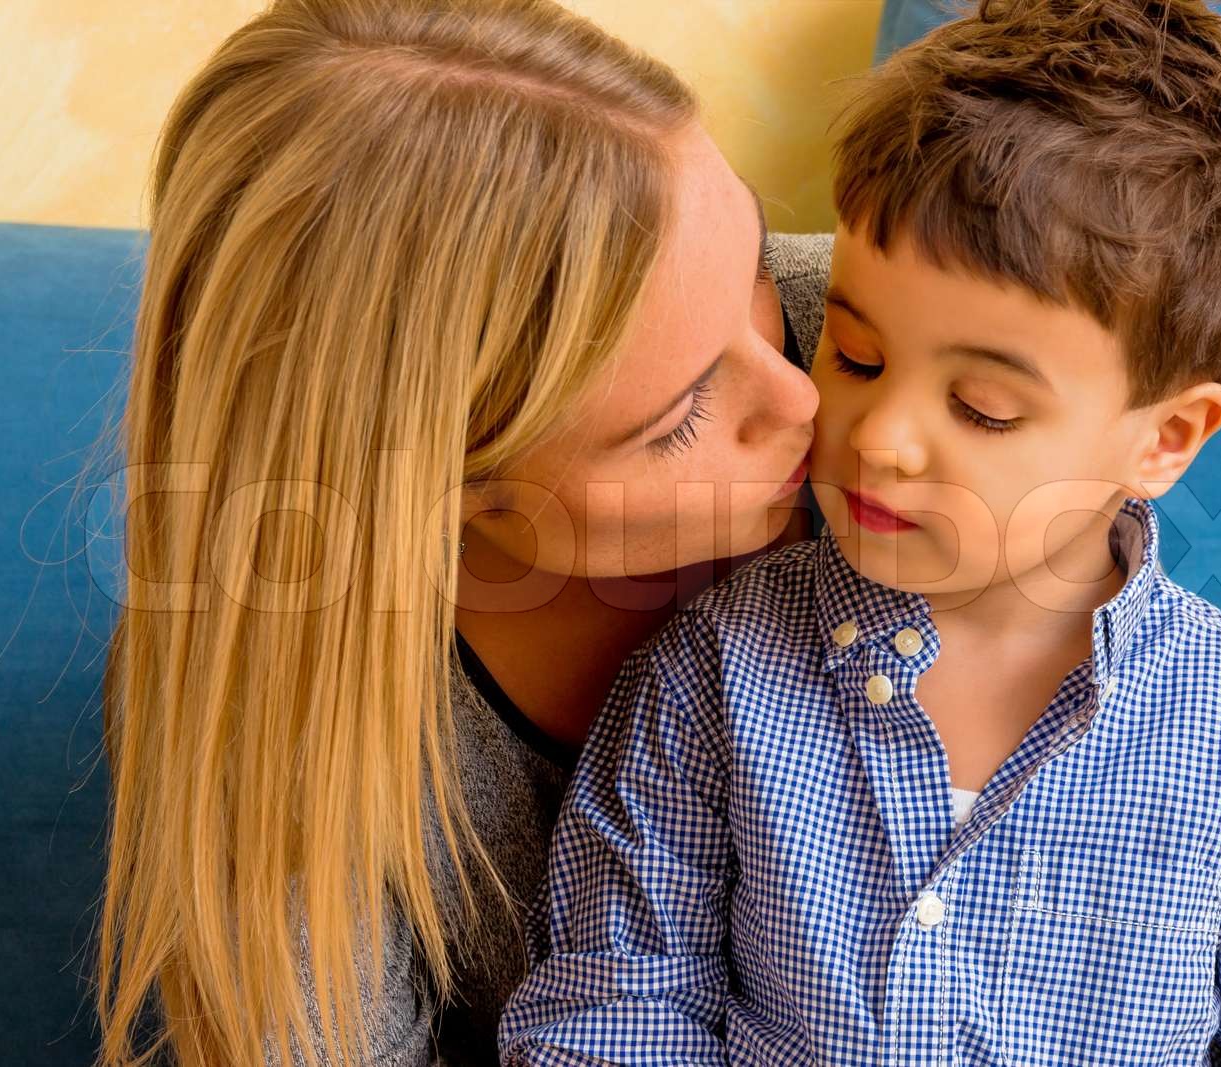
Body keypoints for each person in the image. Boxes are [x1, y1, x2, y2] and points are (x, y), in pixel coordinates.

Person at [498, 1, 1221, 1063]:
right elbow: (613, 1012)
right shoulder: (712, 673)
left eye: (984, 409)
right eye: (853, 356)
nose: (880, 437)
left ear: (1167, 438)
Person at [90, 1, 832, 1064]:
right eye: (676, 419)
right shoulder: (281, 722)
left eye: (754, 263)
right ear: (433, 496)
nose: (804, 396)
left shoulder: (909, 329)